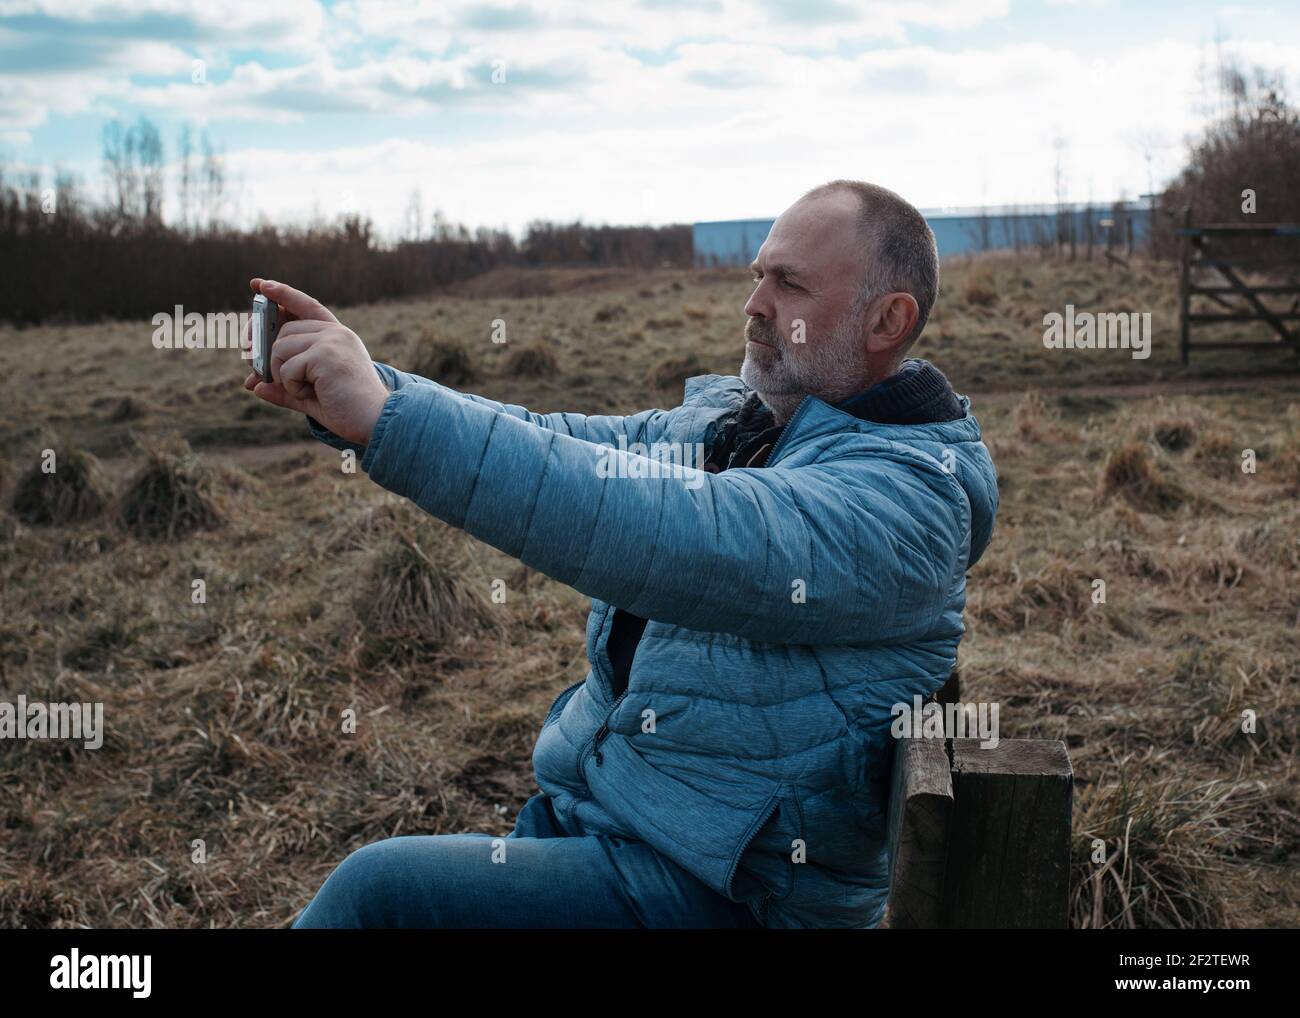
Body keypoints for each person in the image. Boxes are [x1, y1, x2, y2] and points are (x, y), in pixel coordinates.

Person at [248, 179, 998, 929]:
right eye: (758, 276)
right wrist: (374, 390)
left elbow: (664, 529)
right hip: (619, 826)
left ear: (887, 320)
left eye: (790, 283)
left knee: (381, 896)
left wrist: (390, 422)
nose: (755, 304)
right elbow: (560, 443)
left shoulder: (907, 504)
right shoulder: (750, 428)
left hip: (731, 893)